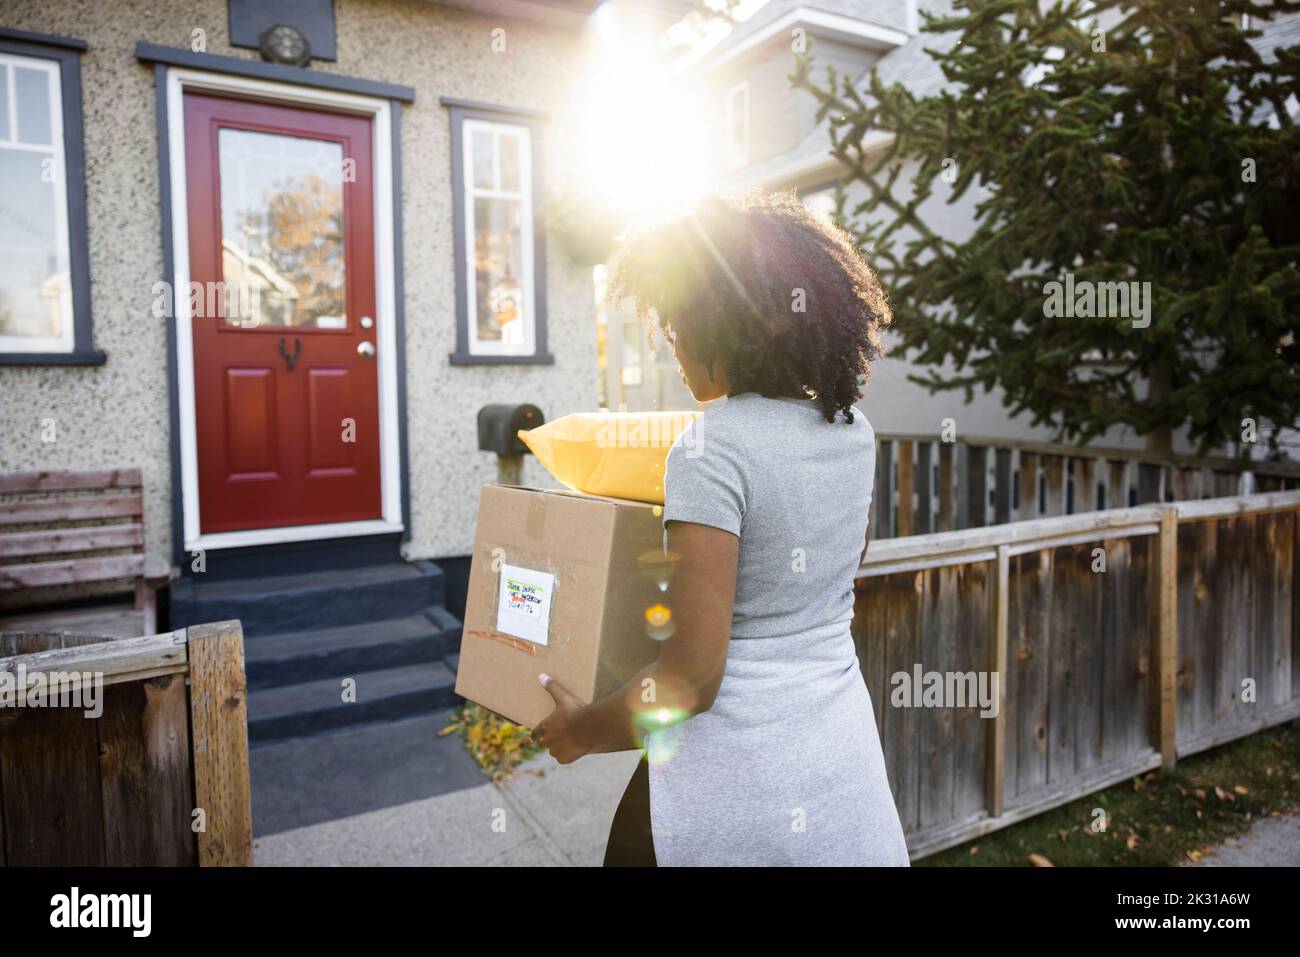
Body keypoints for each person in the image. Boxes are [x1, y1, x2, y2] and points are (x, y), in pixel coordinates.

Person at [529, 190, 909, 867]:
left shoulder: (713, 447)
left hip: (738, 777)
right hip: (835, 750)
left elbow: (692, 677)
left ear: (726, 324)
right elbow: (825, 577)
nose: (669, 340)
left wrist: (581, 728)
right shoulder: (855, 433)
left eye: (676, 321)